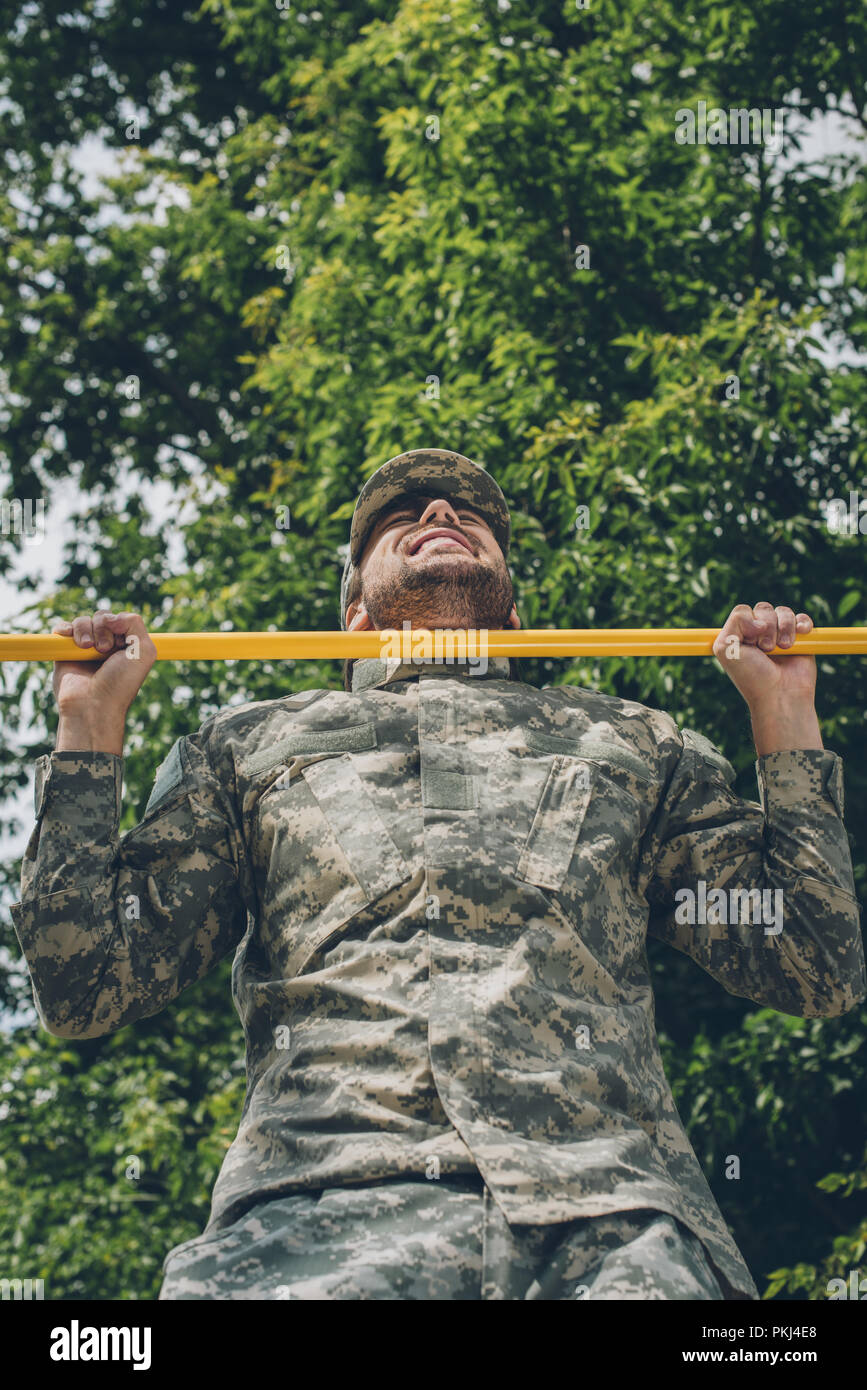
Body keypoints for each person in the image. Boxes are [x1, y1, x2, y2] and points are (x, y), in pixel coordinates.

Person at [11, 448, 866, 1301]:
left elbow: (815, 964)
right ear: (352, 617)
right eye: (401, 516)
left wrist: (784, 716)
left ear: (517, 618)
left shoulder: (636, 742)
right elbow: (84, 983)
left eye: (468, 517)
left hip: (618, 1230)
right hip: (310, 1227)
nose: (439, 516)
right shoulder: (245, 747)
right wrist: (88, 730)